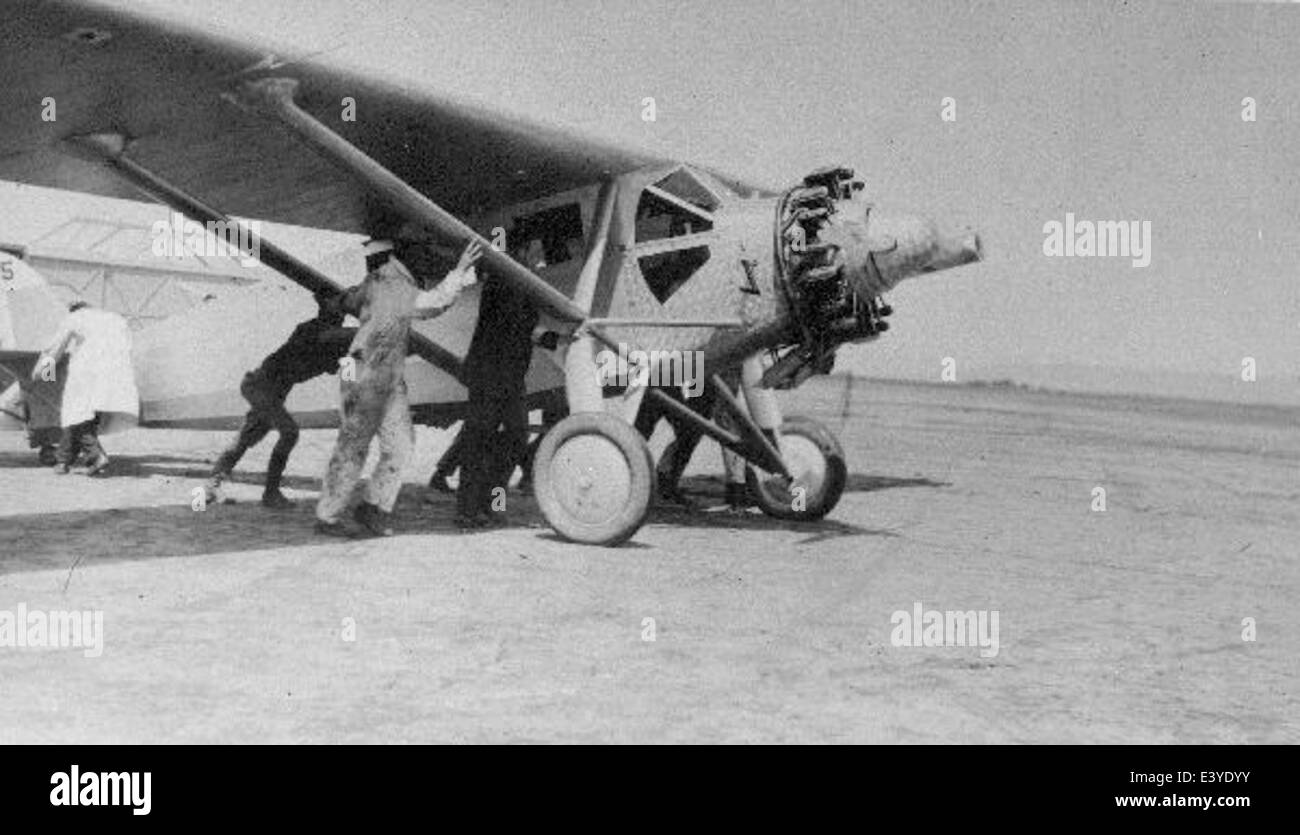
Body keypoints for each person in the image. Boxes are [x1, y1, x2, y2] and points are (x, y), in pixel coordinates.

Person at [315, 238, 480, 538]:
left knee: (383, 446)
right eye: (425, 258)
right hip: (370, 375)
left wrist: (333, 302)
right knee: (370, 448)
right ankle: (331, 516)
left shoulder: (377, 279)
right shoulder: (398, 286)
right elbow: (435, 304)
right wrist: (459, 270)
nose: (429, 264)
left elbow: (350, 300)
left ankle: (368, 509)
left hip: (380, 375)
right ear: (410, 259)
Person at [203, 295, 352, 508]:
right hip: (259, 385)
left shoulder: (338, 343)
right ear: (323, 306)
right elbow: (331, 338)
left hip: (272, 392)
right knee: (289, 432)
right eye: (336, 304)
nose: (342, 310)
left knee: (247, 437)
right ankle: (270, 494)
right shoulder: (309, 329)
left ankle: (211, 488)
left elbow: (344, 364)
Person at [453, 238, 540, 528]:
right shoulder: (504, 282)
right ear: (522, 251)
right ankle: (468, 511)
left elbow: (524, 329)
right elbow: (514, 326)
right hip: (490, 375)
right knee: (479, 443)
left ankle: (491, 503)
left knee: (516, 438)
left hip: (511, 376)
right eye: (532, 249)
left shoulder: (521, 285)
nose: (537, 256)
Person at [32, 300, 138, 476]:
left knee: (76, 413)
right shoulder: (116, 318)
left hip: (86, 371)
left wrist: (41, 373)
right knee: (84, 415)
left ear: (72, 310)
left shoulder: (74, 318)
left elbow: (55, 350)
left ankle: (95, 456)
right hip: (117, 372)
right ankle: (63, 461)